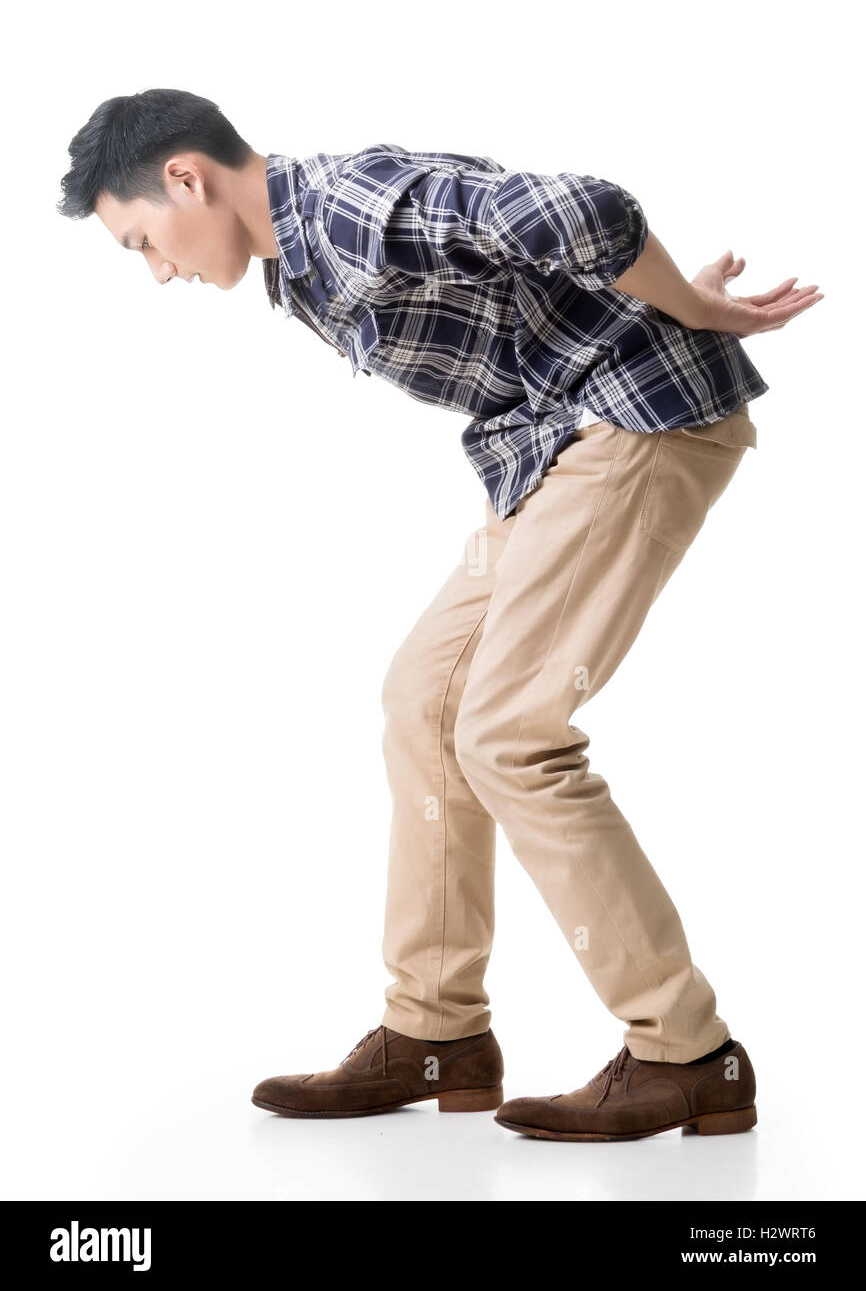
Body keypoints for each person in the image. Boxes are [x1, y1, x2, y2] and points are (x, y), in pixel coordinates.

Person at [57, 88, 822, 1142]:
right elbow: (542, 261)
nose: (158, 270)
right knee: (422, 702)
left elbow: (587, 211)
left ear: (186, 178)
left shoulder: (344, 209)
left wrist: (681, 310)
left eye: (144, 240)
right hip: (551, 445)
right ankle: (434, 1032)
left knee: (509, 733)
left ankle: (684, 1053)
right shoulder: (296, 263)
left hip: (633, 424)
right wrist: (647, 299)